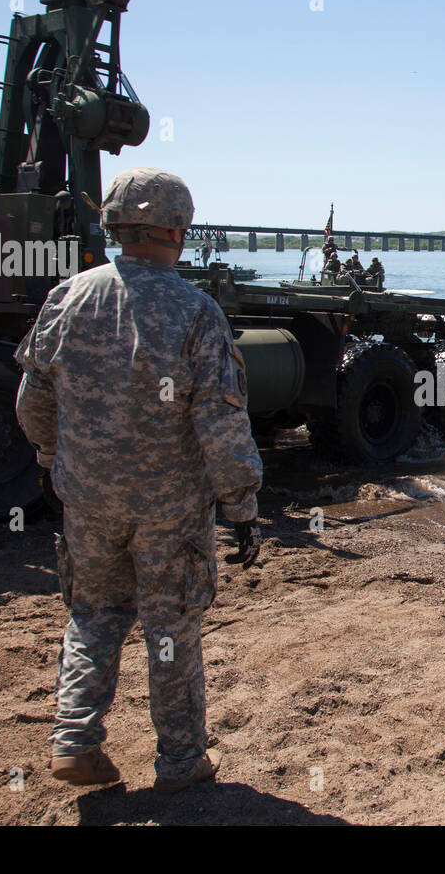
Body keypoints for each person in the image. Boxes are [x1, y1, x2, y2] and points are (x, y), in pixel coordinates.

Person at [14, 167, 263, 794]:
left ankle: (75, 740)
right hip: (170, 509)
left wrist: (52, 458)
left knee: (94, 613)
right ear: (179, 230)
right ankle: (181, 762)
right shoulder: (196, 311)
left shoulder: (67, 297)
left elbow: (31, 402)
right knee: (171, 628)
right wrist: (242, 505)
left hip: (87, 500)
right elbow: (220, 425)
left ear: (117, 225)